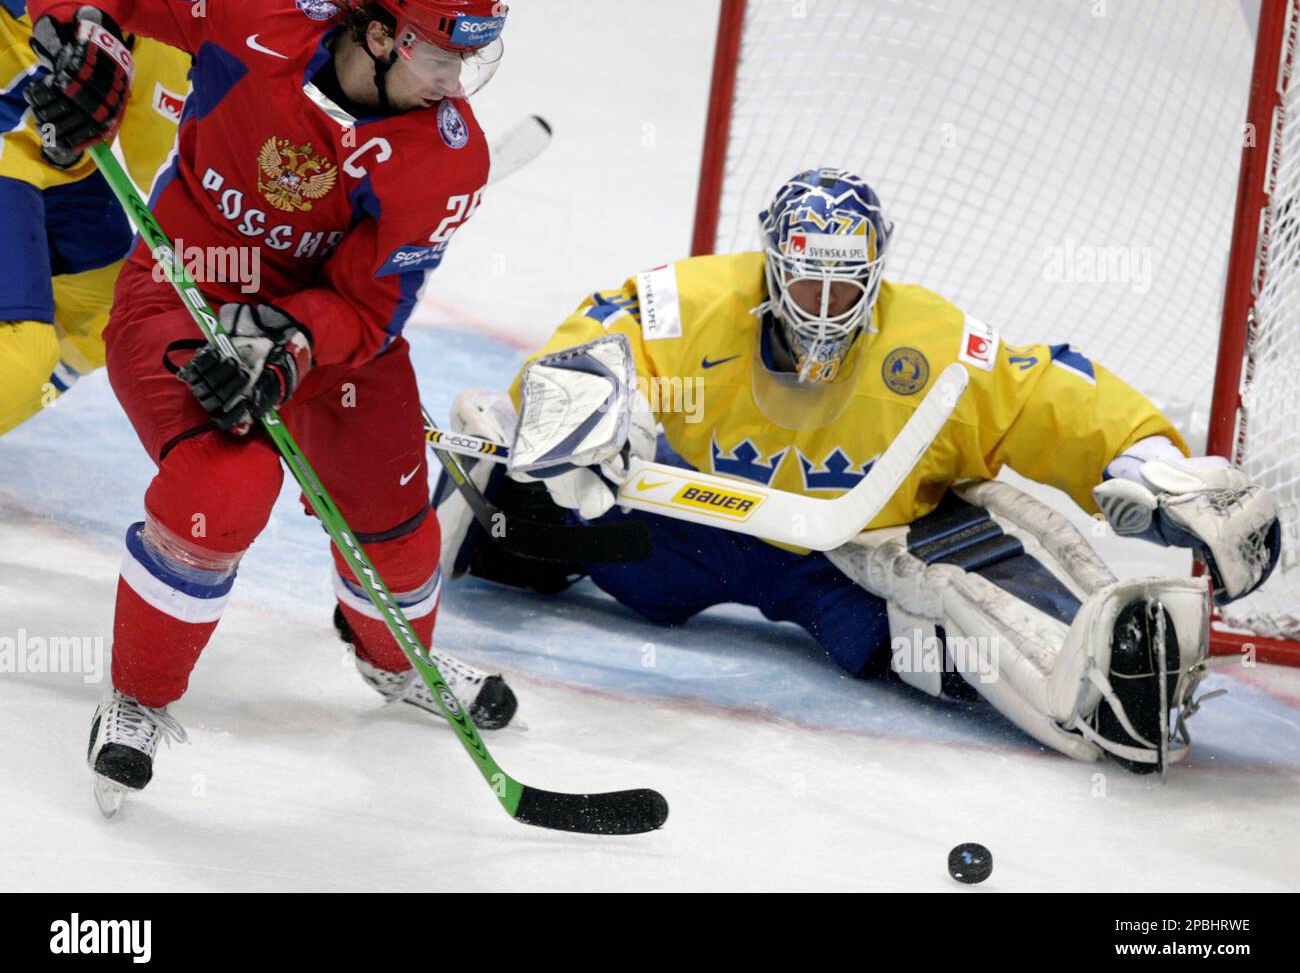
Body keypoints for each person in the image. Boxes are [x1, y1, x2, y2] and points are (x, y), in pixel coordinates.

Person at [436, 168, 1283, 775]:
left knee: (934, 629)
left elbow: (1041, 391)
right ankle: (489, 529)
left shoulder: (930, 344)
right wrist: (578, 402)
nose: (826, 310)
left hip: (848, 558)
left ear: (876, 278)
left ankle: (1097, 684)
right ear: (771, 267)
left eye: (847, 291)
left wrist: (1148, 458)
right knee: (536, 485)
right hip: (680, 529)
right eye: (807, 285)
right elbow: (595, 332)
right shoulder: (687, 304)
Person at [22, 0, 514, 807]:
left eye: (471, 60)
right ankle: (137, 696)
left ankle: (392, 660)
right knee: (222, 492)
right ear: (377, 32)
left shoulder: (446, 157)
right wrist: (85, 35)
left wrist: (288, 347)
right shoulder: (254, 0)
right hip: (186, 292)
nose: (456, 85)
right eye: (442, 56)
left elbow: (370, 309)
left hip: (328, 341)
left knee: (397, 532)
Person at [0, 0, 324, 438]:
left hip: (43, 135)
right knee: (22, 357)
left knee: (107, 303)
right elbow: (167, 165)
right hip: (18, 127)